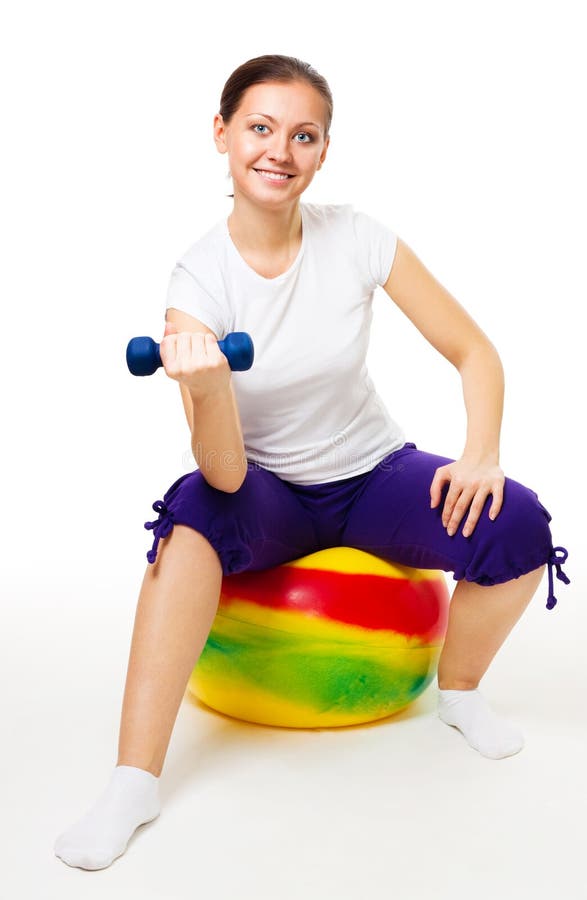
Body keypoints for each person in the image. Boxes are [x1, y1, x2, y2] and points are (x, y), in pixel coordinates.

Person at [54, 53, 570, 871]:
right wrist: (209, 386)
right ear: (222, 134)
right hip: (265, 492)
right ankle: (133, 781)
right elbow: (226, 475)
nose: (279, 151)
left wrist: (481, 455)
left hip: (372, 475)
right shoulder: (198, 281)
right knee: (189, 510)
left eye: (303, 135)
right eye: (259, 128)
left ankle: (459, 692)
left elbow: (473, 350)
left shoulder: (357, 237)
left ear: (323, 150)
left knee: (519, 524)